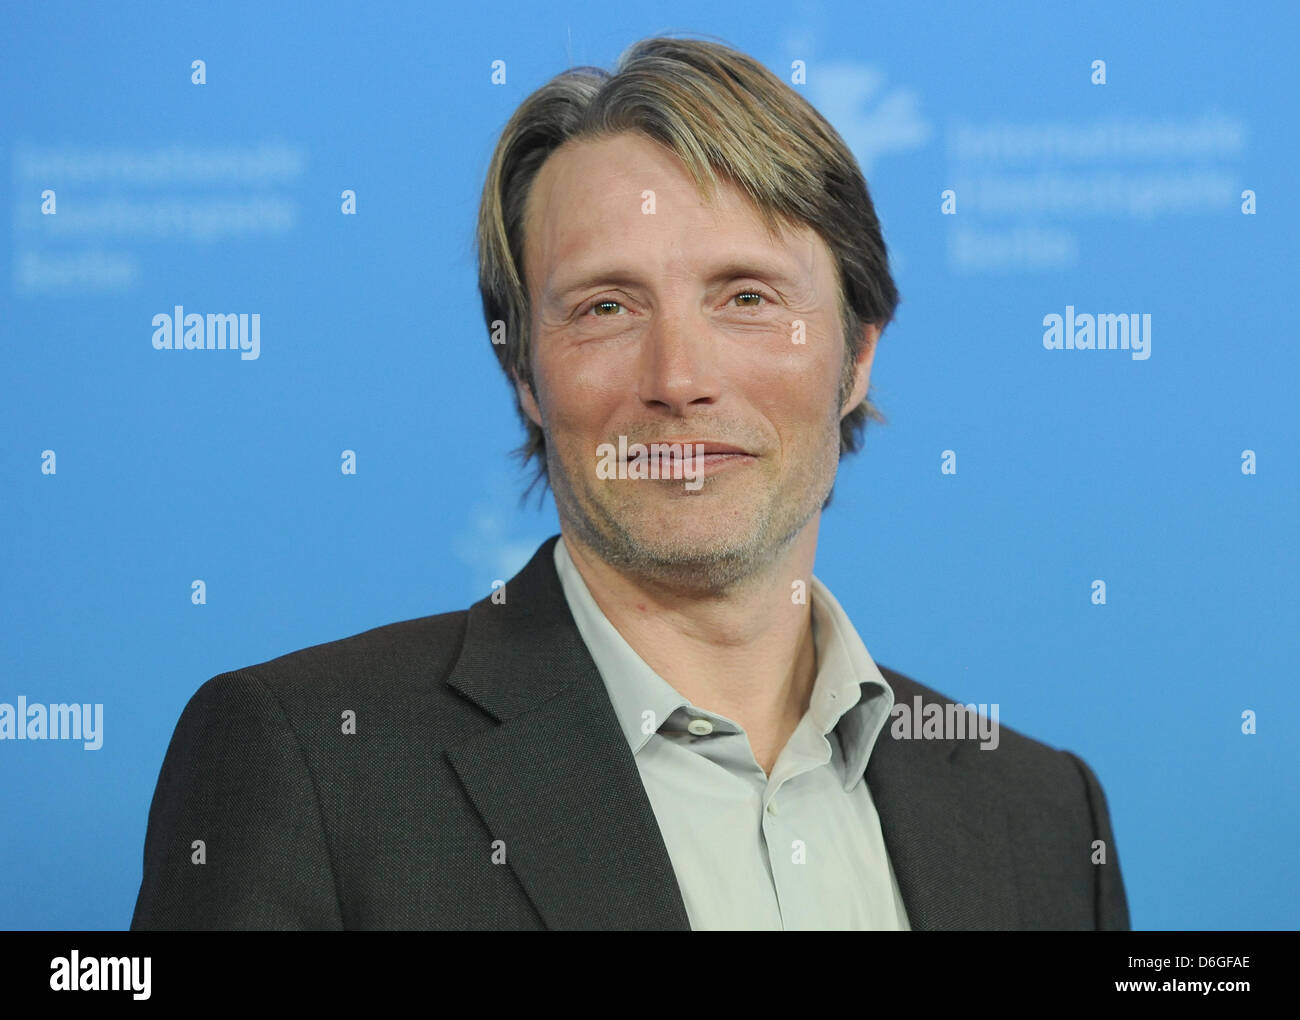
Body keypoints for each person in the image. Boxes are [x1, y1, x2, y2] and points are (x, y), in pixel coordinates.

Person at [131, 35, 1130, 931]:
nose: (678, 380)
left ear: (858, 355)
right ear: (523, 371)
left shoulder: (1040, 815)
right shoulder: (311, 765)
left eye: (746, 297)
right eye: (606, 306)